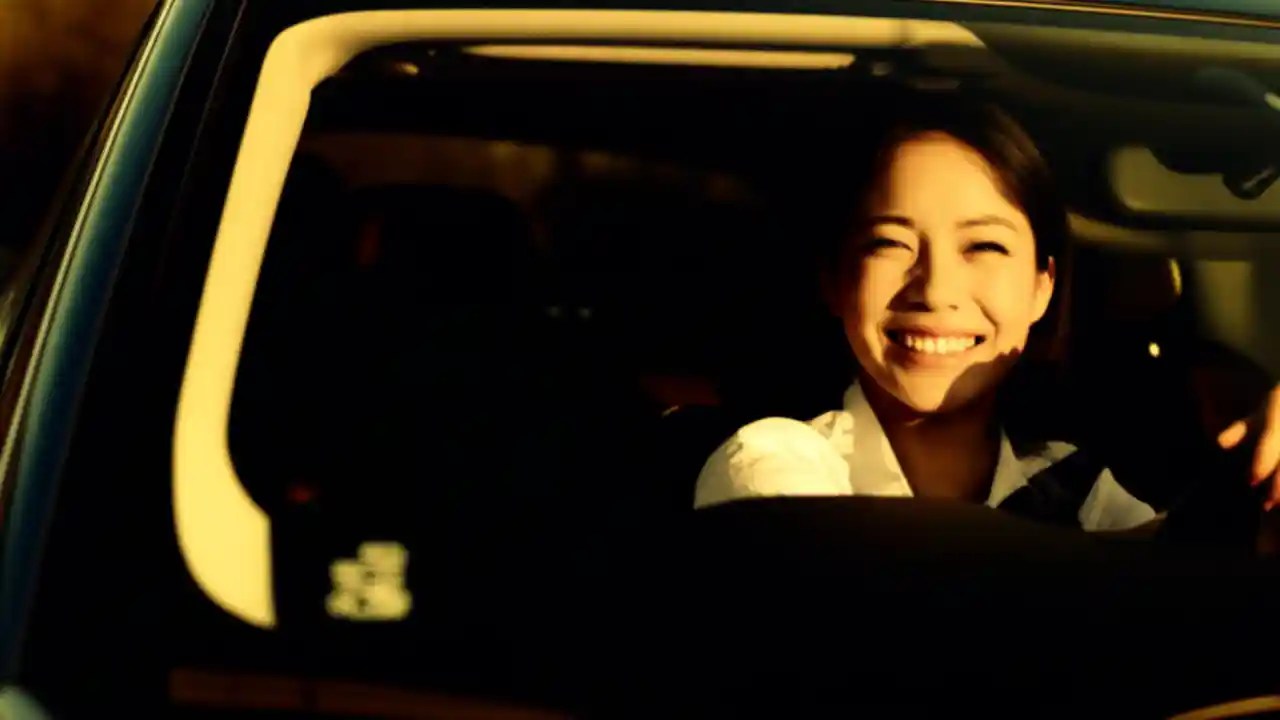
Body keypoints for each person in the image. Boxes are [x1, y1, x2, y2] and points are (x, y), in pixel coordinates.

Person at [695, 92, 1280, 534]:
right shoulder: (774, 464)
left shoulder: (1072, 488)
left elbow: (1174, 587)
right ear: (835, 281)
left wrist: (1250, 495)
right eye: (890, 243)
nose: (936, 289)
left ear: (1041, 289)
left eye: (984, 246)